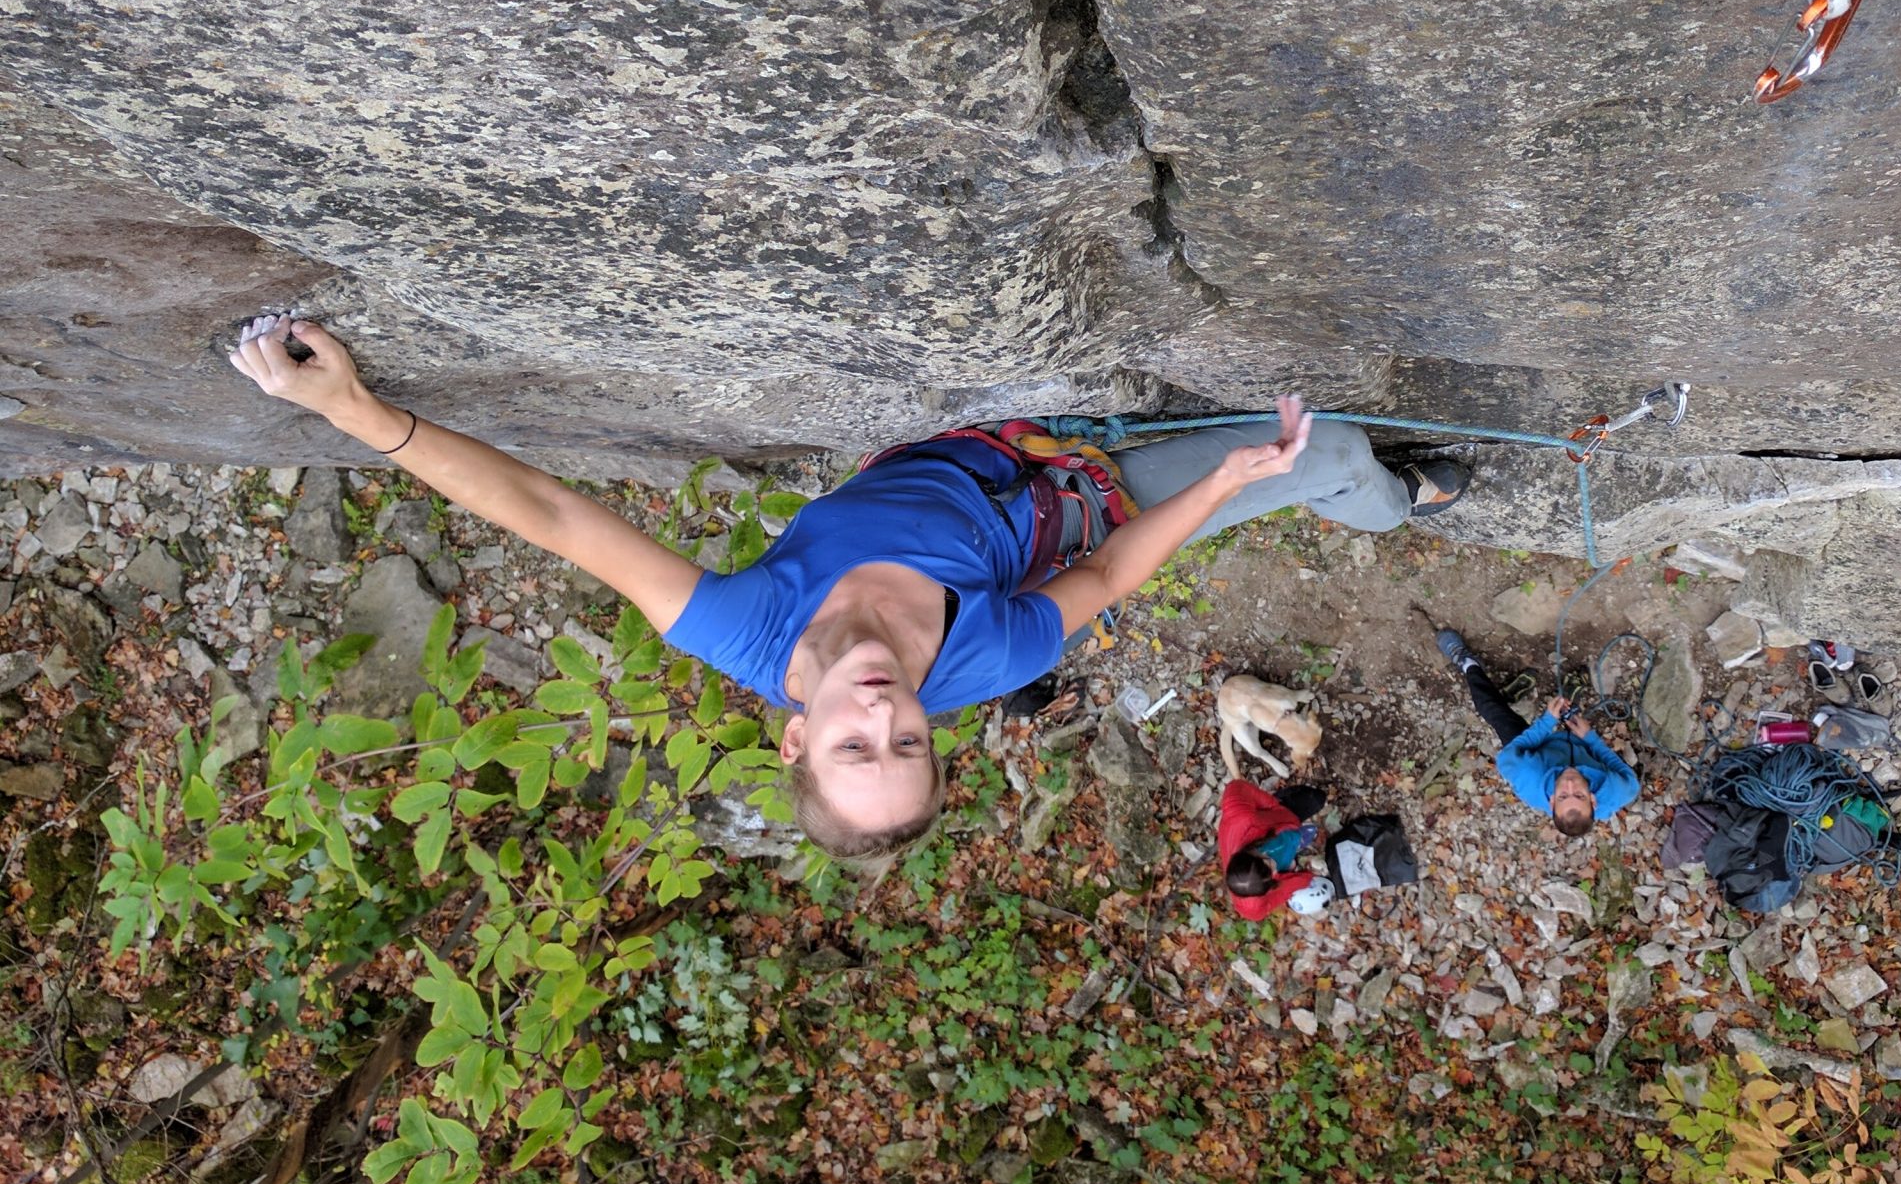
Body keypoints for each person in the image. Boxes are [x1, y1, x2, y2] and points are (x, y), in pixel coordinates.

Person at [227, 319, 1471, 864]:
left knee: (1315, 450)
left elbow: (554, 518)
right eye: (910, 739)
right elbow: (1101, 573)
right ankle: (1398, 499)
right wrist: (1231, 480)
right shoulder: (974, 667)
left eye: (855, 741)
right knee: (1337, 453)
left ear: (795, 731)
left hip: (998, 456)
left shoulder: (748, 627)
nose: (885, 707)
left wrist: (356, 413)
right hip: (1089, 495)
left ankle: (1364, 485)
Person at [1435, 628, 1637, 836]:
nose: (1569, 785)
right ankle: (1567, 693)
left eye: (1562, 796)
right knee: (1569, 711)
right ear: (1593, 800)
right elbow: (1630, 779)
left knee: (1492, 710)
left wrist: (1546, 722)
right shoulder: (1614, 792)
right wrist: (1590, 738)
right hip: (1580, 746)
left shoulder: (1529, 778)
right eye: (1579, 794)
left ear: (1551, 801)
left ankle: (1468, 663)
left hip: (1536, 750)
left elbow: (1509, 754)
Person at [1217, 780, 1327, 921]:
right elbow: (1282, 891)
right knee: (1289, 860)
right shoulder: (1252, 906)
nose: (1275, 871)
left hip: (1275, 818)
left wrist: (1274, 805)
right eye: (1271, 876)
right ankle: (1293, 841)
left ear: (1252, 853)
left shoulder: (1241, 818)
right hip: (1275, 832)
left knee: (1316, 798)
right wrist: (1305, 879)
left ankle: (1291, 832)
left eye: (1269, 865)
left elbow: (1235, 787)